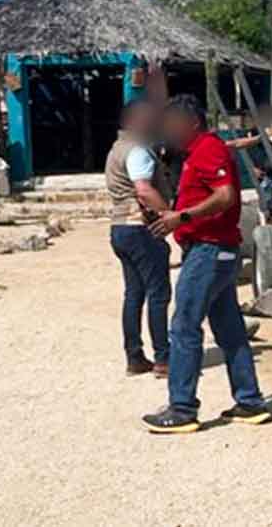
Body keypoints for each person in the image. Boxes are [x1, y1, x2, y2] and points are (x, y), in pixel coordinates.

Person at [142, 94, 270, 434]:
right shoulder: (197, 152)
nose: (168, 131)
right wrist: (172, 217)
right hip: (216, 251)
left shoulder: (208, 149)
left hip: (209, 252)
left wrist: (182, 216)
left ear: (191, 122)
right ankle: (250, 402)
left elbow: (225, 195)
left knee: (184, 326)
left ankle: (182, 408)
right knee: (230, 331)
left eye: (172, 124)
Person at [106, 99, 174, 377]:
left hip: (120, 227)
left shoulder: (116, 148)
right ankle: (164, 358)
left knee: (134, 294)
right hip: (140, 228)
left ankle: (134, 357)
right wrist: (170, 215)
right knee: (159, 293)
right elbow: (144, 190)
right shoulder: (138, 150)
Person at [226, 103, 272, 223]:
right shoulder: (255, 131)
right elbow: (244, 147)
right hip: (267, 171)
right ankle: (271, 221)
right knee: (267, 199)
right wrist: (252, 167)